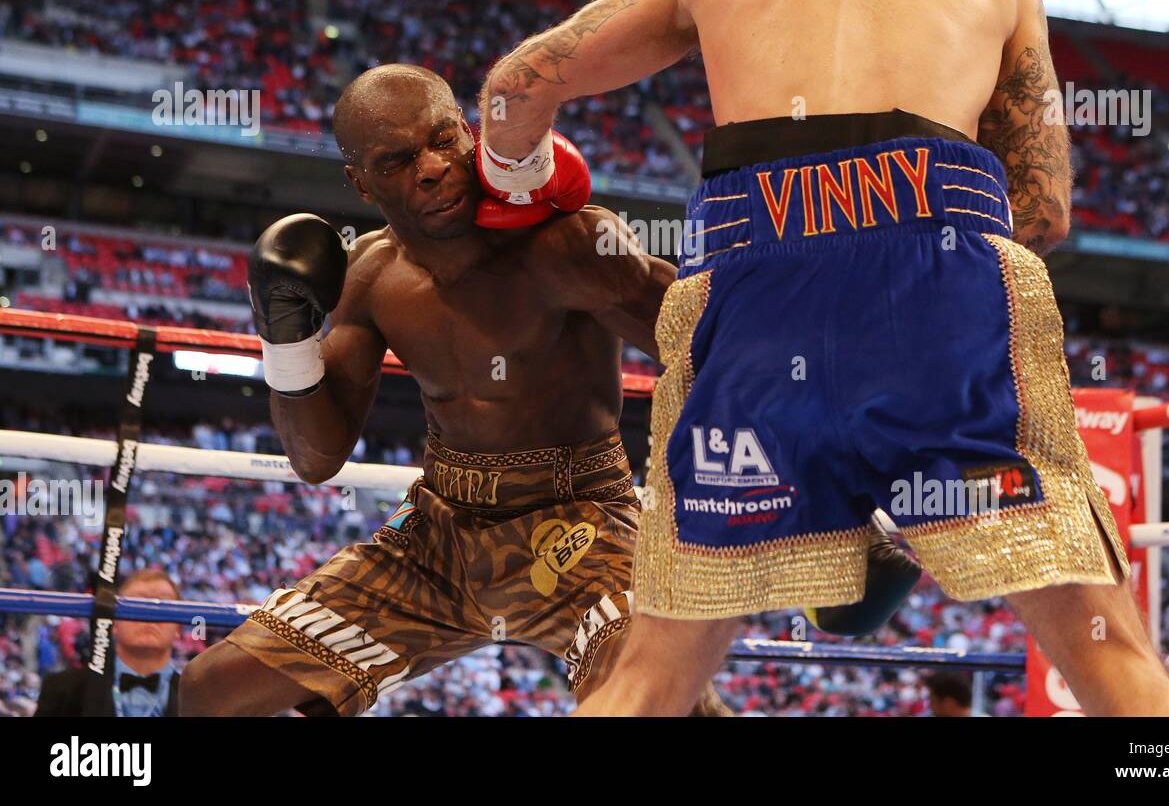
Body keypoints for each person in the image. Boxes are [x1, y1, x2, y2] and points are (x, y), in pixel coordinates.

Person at [477, 0, 1169, 718]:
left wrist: (520, 180)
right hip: (945, 274)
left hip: (757, 286)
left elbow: (519, 82)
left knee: (650, 680)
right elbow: (1044, 211)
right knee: (1111, 659)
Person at [177, 63, 920, 716]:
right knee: (211, 689)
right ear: (359, 181)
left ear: (471, 134)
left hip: (583, 522)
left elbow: (725, 344)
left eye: (444, 139)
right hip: (434, 537)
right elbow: (316, 459)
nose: (433, 167)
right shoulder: (371, 277)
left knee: (648, 688)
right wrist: (285, 341)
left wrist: (837, 494)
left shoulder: (564, 245)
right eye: (398, 160)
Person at [35, 568, 183, 717]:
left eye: (162, 606)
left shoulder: (200, 696)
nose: (149, 616)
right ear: (114, 623)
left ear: (178, 627)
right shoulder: (62, 689)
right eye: (138, 605)